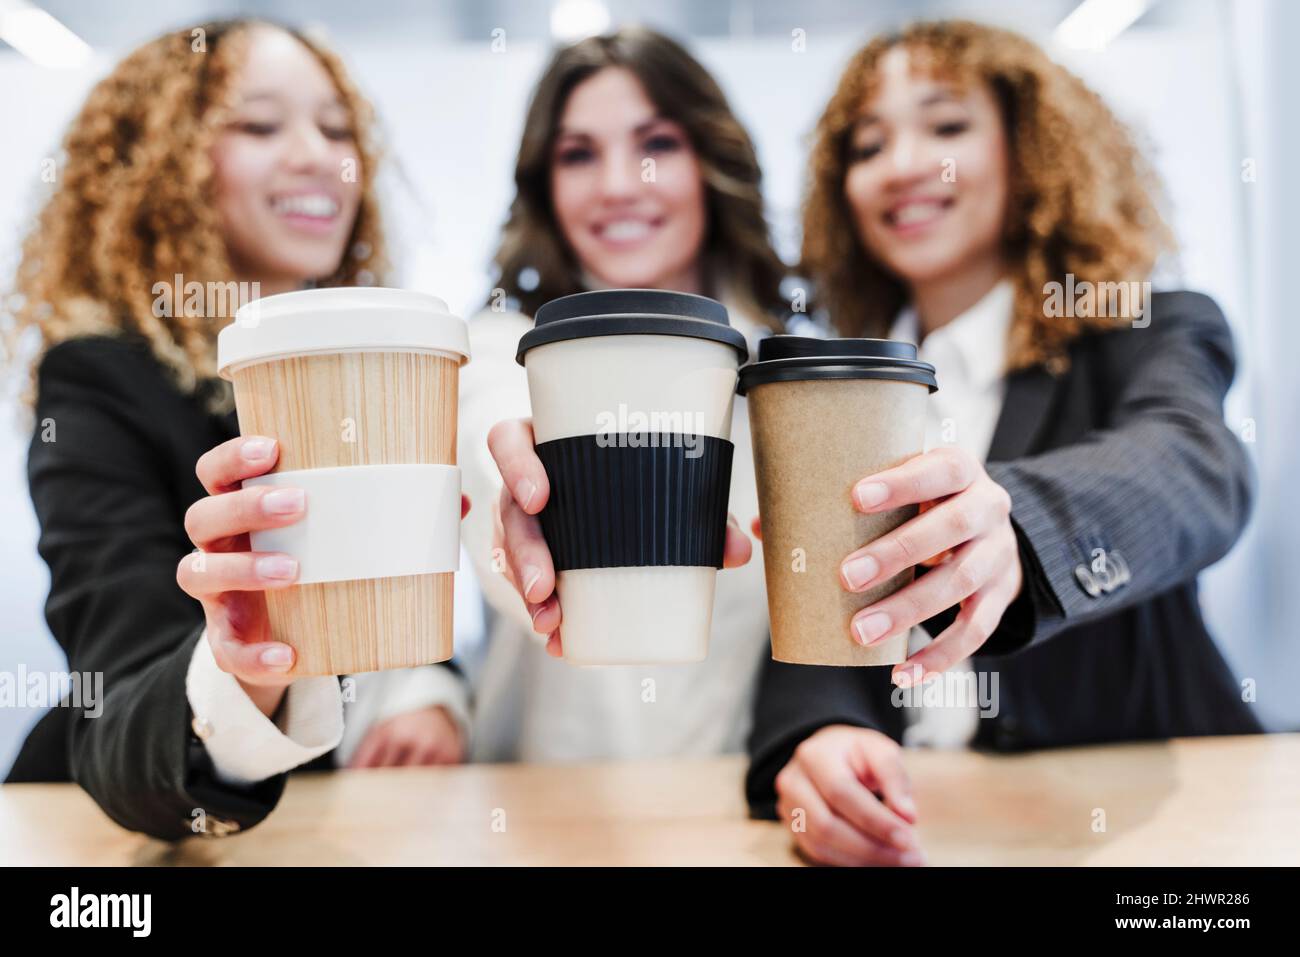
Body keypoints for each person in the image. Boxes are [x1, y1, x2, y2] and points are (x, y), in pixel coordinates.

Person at [744, 20, 1262, 867]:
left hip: (1160, 841)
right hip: (932, 834)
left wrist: (1018, 535)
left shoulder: (1145, 328)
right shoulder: (837, 391)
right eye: (869, 144)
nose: (906, 164)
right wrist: (823, 732)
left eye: (947, 127)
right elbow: (820, 603)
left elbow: (1196, 465)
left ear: (1031, 149)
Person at [5, 18, 467, 840]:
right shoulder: (99, 379)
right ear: (160, 167)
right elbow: (119, 694)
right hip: (117, 826)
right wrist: (241, 669)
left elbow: (366, 601)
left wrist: (431, 690)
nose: (319, 155)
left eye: (335, 127)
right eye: (258, 124)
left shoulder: (361, 373)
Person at [458, 26, 790, 761]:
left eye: (657, 145)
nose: (616, 184)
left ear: (711, 160)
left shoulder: (788, 375)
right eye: (577, 154)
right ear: (545, 184)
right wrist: (525, 500)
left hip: (741, 810)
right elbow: (494, 445)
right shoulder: (496, 348)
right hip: (543, 809)